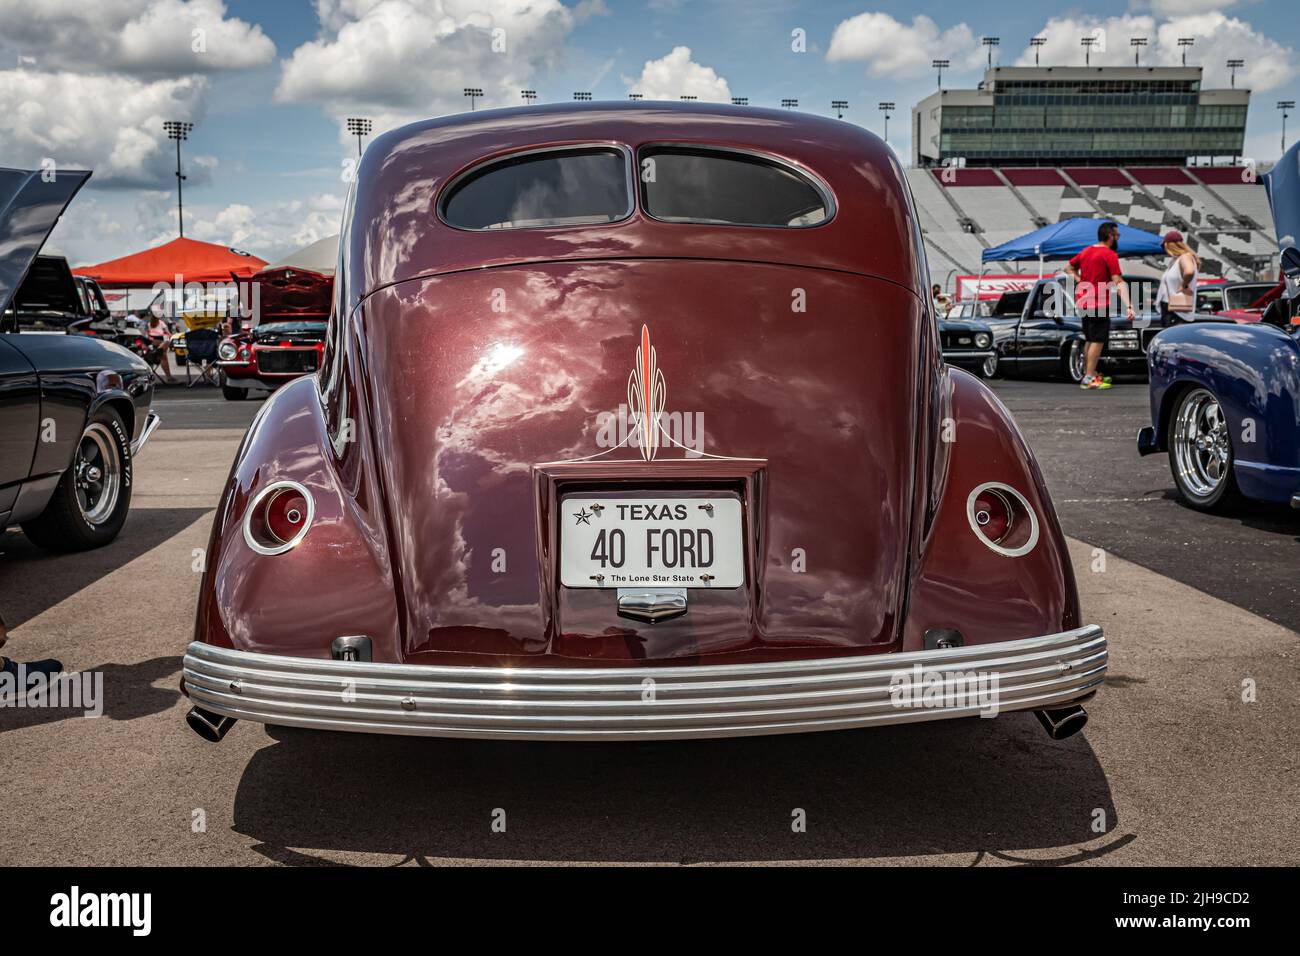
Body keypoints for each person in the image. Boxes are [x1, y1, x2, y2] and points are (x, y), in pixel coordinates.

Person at [1064, 221, 1134, 390]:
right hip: (1098, 301)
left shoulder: (1086, 251)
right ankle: (1089, 377)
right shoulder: (1109, 254)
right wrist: (1129, 305)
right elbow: (1118, 280)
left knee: (1090, 338)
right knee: (1098, 339)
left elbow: (1068, 267)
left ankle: (1090, 373)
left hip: (1083, 300)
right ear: (1110, 235)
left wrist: (1080, 280)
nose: (1118, 238)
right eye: (1117, 235)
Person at [1156, 229, 1200, 324]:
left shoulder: (1184, 257)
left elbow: (1189, 271)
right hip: (1173, 307)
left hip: (1176, 309)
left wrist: (1183, 285)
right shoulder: (1176, 260)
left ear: (1168, 245)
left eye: (1164, 246)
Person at [146, 315, 175, 383]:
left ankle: (156, 352)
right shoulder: (161, 323)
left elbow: (147, 335)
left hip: (151, 345)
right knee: (163, 354)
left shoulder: (149, 323)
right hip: (160, 343)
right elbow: (169, 334)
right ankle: (168, 376)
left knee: (162, 353)